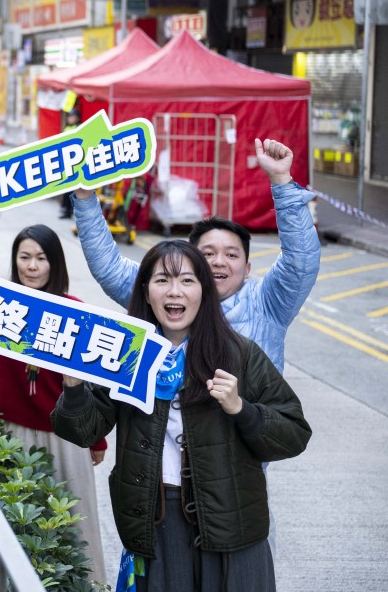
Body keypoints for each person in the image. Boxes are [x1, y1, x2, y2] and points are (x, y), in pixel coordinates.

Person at [52, 240, 311, 591]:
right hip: (157, 521)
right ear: (145, 291)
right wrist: (73, 387)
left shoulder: (238, 353)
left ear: (204, 291)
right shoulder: (126, 353)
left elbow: (294, 432)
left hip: (231, 525)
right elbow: (83, 430)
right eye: (162, 280)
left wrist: (242, 409)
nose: (175, 292)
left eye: (187, 281)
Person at [0, 219, 108, 584]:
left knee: (76, 527)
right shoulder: (4, 304)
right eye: (24, 257)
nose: (32, 266)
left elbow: (97, 386)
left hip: (67, 437)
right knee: (19, 526)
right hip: (15, 434)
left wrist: (96, 438)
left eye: (40, 258)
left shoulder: (75, 310)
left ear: (55, 263)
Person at [71, 138, 320, 374]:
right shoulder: (167, 293)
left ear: (247, 269)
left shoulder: (267, 303)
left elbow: (301, 262)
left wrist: (280, 180)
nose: (218, 261)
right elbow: (109, 268)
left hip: (247, 419)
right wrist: (84, 197)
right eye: (208, 253)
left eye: (231, 255)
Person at [58, 110, 81, 219]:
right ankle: (66, 209)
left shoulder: (80, 128)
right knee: (67, 187)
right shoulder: (66, 128)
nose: (71, 119)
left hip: (76, 161)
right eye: (70, 117)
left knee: (75, 189)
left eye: (73, 116)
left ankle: (72, 210)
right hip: (66, 160)